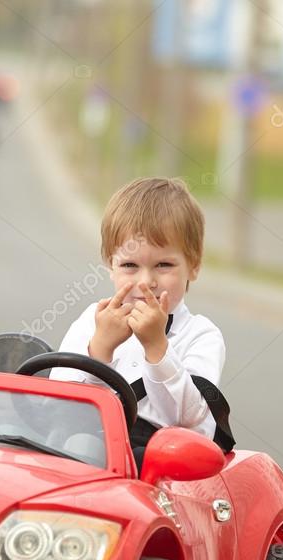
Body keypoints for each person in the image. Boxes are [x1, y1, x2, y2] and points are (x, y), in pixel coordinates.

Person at [49, 177, 233, 470]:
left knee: (114, 456)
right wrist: (101, 349)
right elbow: (61, 408)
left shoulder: (201, 335)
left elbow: (188, 418)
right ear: (111, 266)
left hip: (164, 463)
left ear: (193, 266)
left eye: (164, 265)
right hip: (86, 451)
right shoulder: (92, 321)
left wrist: (157, 348)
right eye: (130, 266)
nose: (146, 282)